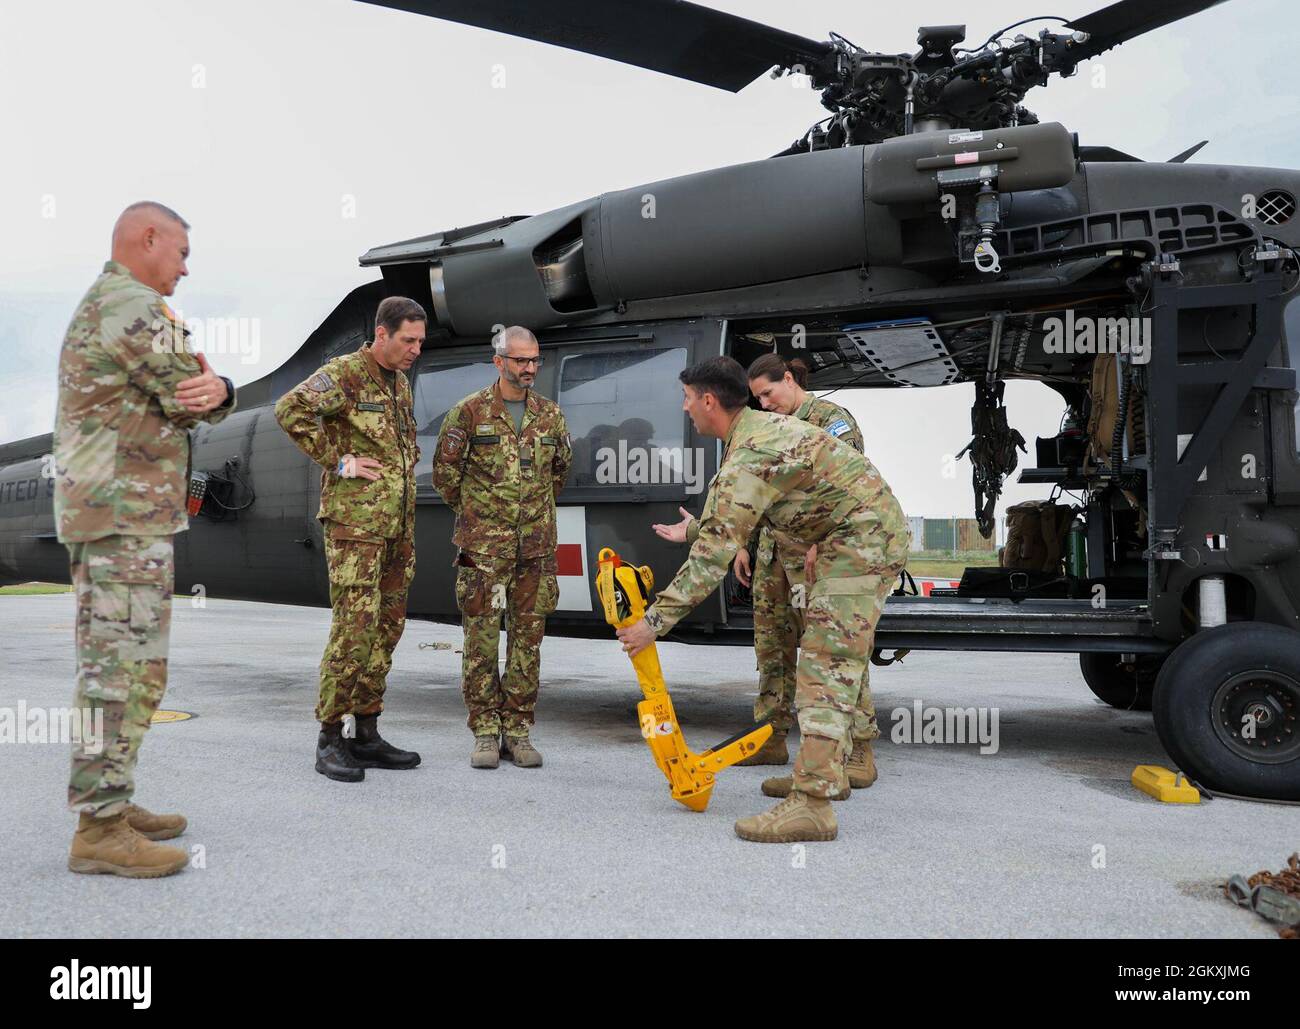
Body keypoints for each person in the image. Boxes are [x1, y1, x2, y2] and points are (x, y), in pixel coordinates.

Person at [616, 356, 908, 842]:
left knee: (823, 663)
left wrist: (653, 622)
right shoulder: (752, 438)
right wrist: (693, 528)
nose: (685, 410)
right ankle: (824, 776)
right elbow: (726, 518)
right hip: (852, 533)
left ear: (709, 401)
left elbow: (713, 556)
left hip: (862, 540)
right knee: (821, 659)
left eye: (687, 400)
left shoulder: (750, 450)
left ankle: (812, 804)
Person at [56, 201, 236, 877]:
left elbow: (184, 392)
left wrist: (209, 388)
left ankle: (112, 800)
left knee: (137, 669)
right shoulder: (130, 304)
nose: (186, 268)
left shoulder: (118, 303)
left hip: (125, 516)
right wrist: (221, 387)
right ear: (148, 238)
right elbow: (192, 390)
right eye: (182, 253)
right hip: (118, 518)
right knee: (119, 670)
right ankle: (99, 829)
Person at [275, 296, 426, 782]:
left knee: (387, 629)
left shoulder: (399, 382)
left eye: (420, 342)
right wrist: (339, 462)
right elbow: (290, 409)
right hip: (355, 529)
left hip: (396, 527)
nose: (415, 350)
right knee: (354, 631)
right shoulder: (344, 373)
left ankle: (367, 732)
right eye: (408, 340)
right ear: (382, 334)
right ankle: (328, 737)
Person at [734, 355, 881, 799]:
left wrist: (826, 541)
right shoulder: (768, 427)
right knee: (772, 647)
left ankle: (859, 751)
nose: (764, 403)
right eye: (756, 397)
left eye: (768, 393)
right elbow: (759, 486)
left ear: (791, 380)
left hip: (818, 558)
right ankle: (772, 737)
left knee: (832, 649)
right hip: (772, 555)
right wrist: (743, 540)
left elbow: (853, 487)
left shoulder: (831, 422)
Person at [432, 326, 572, 768]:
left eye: (534, 361)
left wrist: (528, 514)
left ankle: (518, 729)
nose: (529, 368)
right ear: (499, 362)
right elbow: (445, 477)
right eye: (520, 360)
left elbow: (559, 474)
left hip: (535, 548)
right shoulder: (468, 413)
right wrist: (482, 515)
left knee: (528, 641)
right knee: (481, 640)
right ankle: (486, 731)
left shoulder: (550, 416)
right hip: (483, 551)